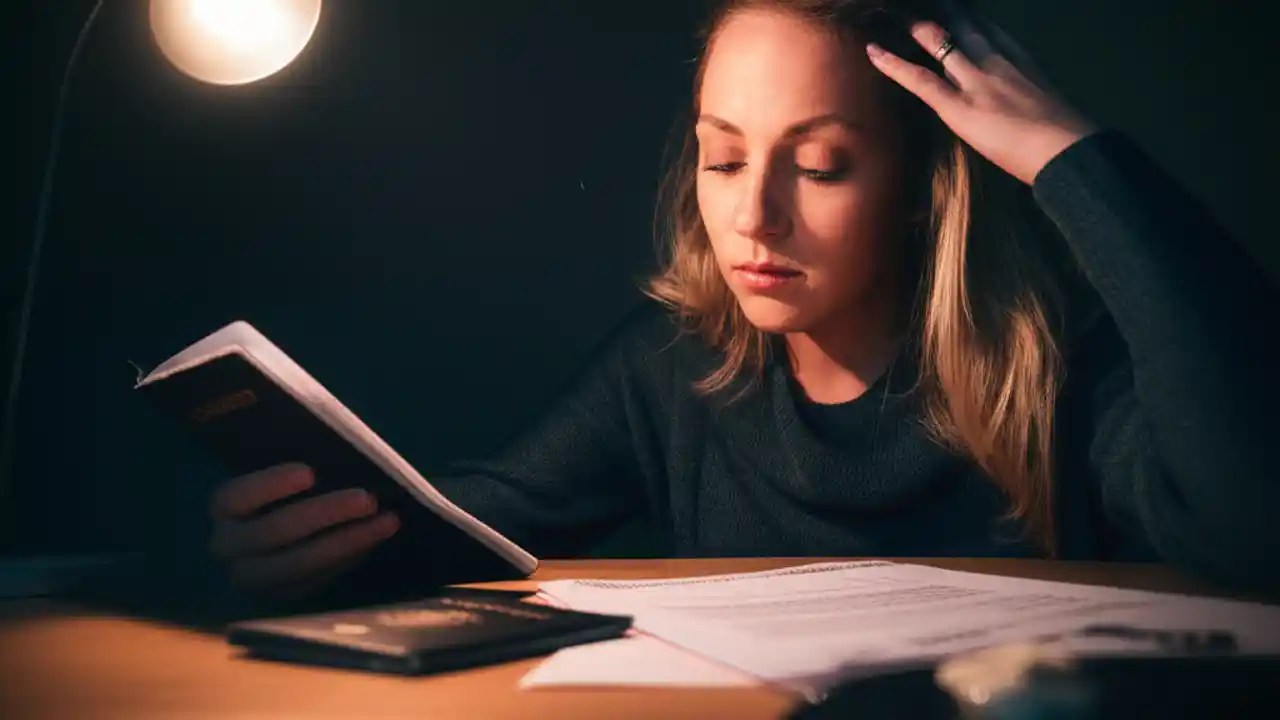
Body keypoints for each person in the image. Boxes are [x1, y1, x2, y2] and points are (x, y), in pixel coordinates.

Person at [203, 0, 1278, 604]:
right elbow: (458, 536)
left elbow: (1255, 529)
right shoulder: (673, 370)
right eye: (723, 159)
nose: (752, 218)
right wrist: (299, 551)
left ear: (917, 190)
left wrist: (1069, 160)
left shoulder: (1054, 372)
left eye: (816, 165)